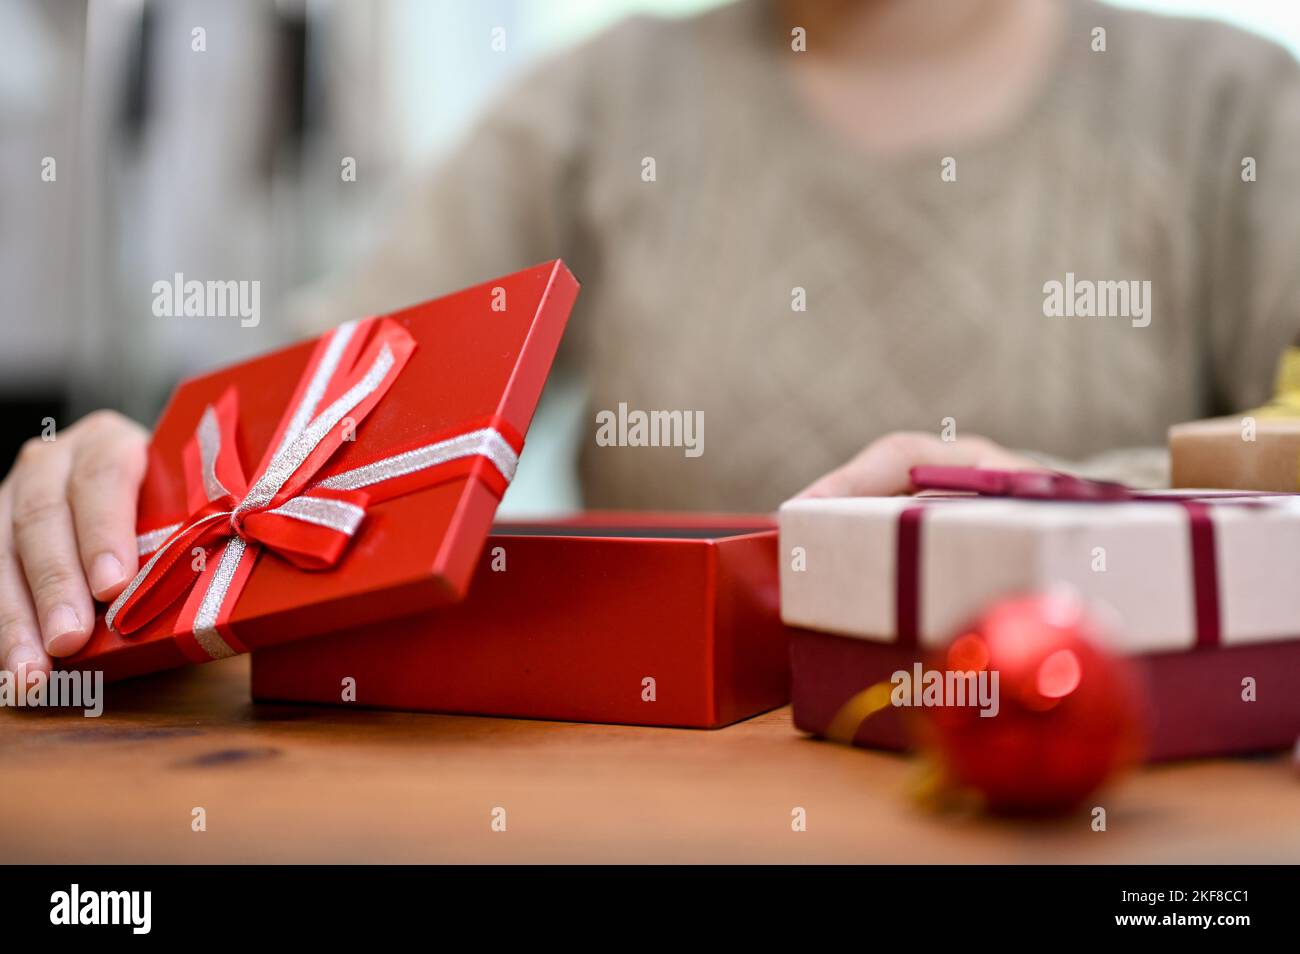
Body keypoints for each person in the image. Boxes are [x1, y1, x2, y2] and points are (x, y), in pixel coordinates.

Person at [2, 0, 1298, 683]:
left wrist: (1050, 507)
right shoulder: (603, 98)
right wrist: (123, 488)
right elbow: (307, 417)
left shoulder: (1230, 106)